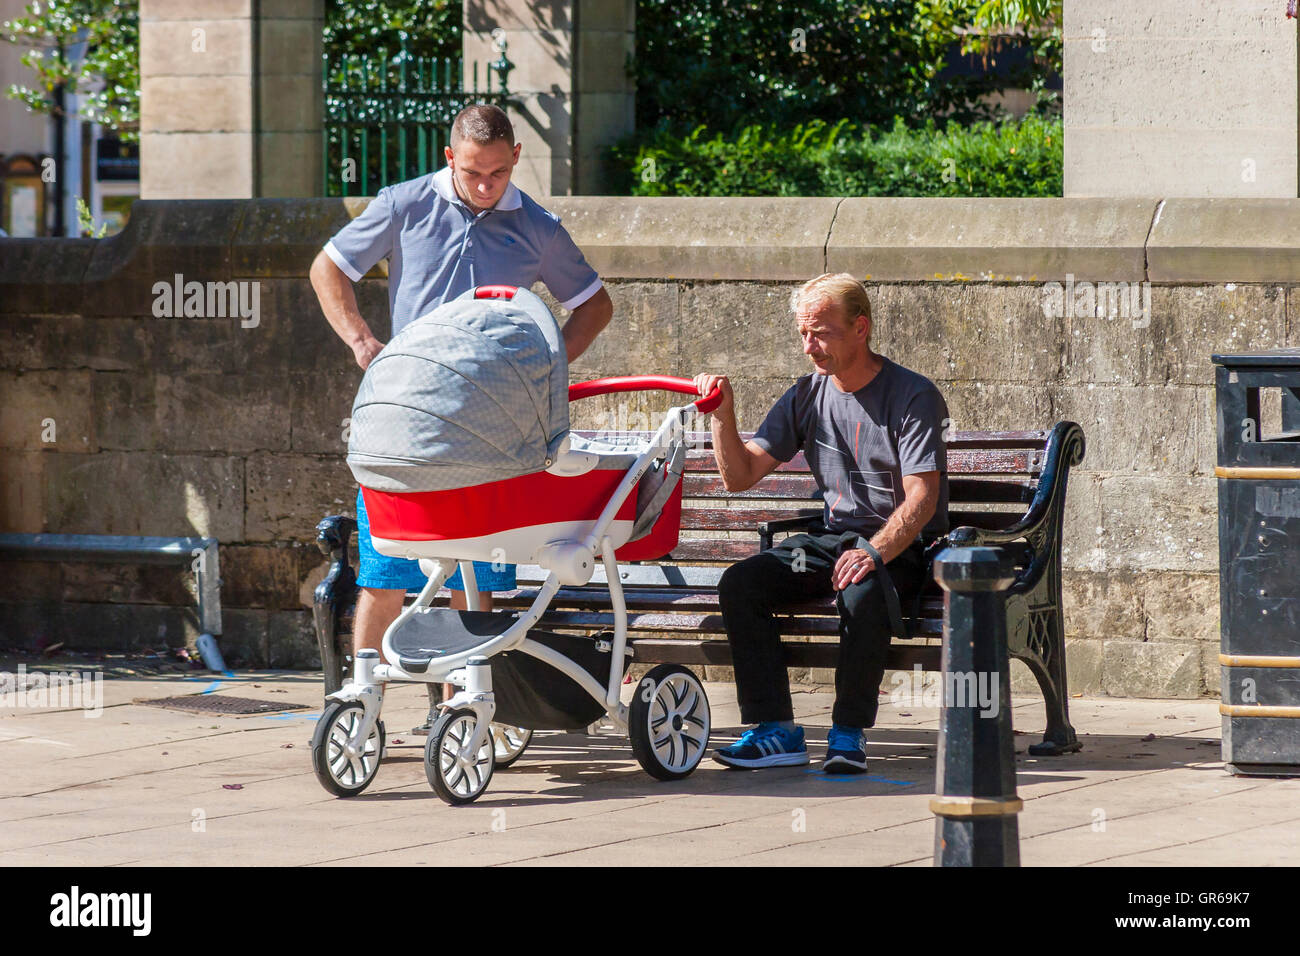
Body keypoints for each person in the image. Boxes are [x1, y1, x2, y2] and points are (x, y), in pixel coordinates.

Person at [310, 103, 613, 717]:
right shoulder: (405, 203)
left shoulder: (538, 227)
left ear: (516, 160)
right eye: (473, 172)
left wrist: (550, 364)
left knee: (478, 572)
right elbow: (329, 268)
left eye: (498, 173)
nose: (484, 186)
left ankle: (459, 713)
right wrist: (364, 344)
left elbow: (595, 306)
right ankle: (361, 704)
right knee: (385, 567)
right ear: (450, 157)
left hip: (495, 429)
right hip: (408, 418)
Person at [694, 273, 948, 773]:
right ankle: (776, 730)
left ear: (860, 328)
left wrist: (874, 551)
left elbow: (922, 496)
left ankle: (848, 733)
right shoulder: (807, 394)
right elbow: (741, 476)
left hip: (901, 547)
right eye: (804, 334)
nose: (811, 346)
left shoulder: (913, 394)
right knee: (742, 583)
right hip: (831, 538)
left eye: (822, 332)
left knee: (861, 589)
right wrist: (724, 416)